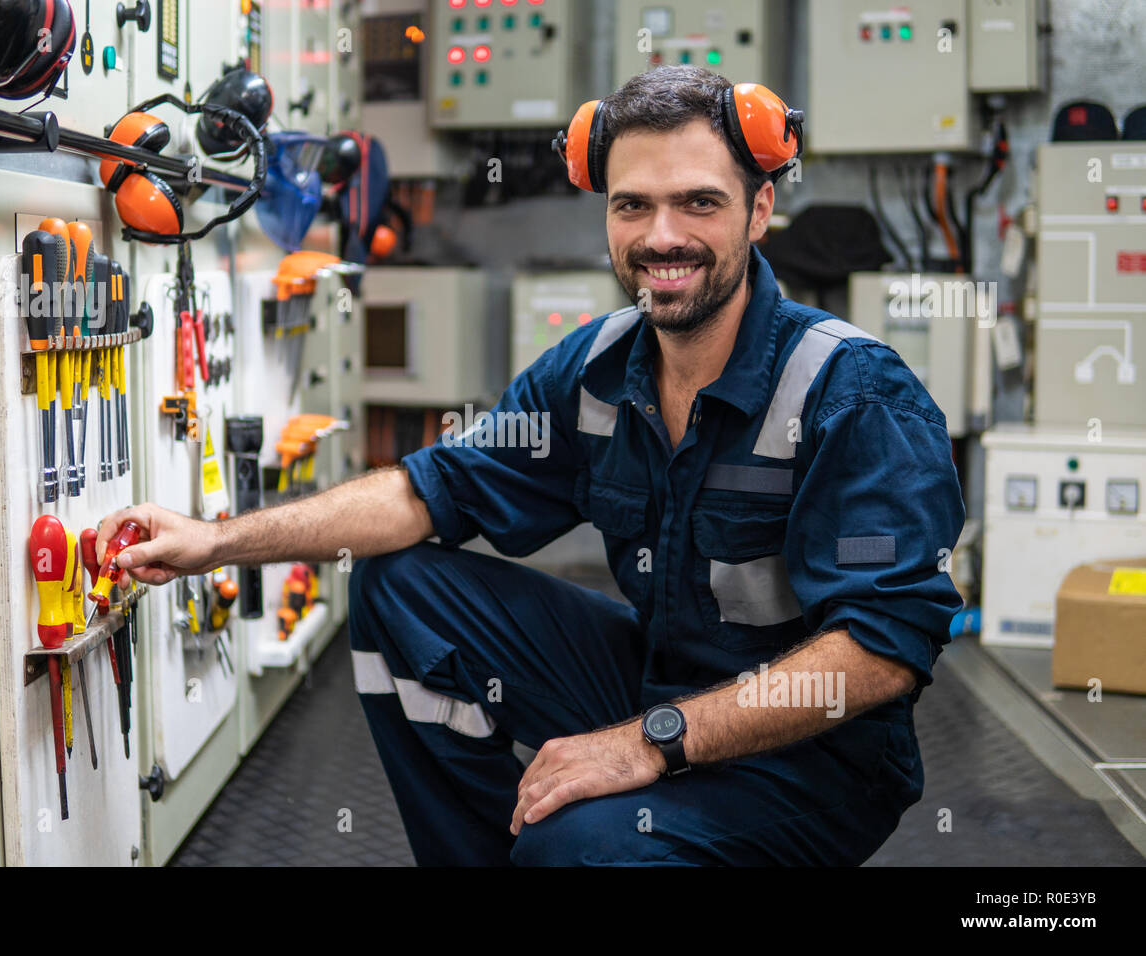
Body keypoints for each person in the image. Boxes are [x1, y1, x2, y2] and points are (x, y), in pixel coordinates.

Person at [98, 67, 965, 866]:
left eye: (698, 202)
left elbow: (882, 652)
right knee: (399, 590)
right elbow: (423, 492)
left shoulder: (852, 391)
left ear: (760, 207)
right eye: (632, 206)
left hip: (814, 761)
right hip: (663, 679)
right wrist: (215, 541)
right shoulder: (598, 366)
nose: (662, 237)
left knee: (576, 846)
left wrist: (644, 742)